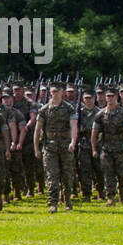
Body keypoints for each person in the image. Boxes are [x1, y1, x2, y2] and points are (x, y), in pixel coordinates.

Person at [35, 84, 77, 213]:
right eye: (52, 91)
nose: (54, 94)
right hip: (50, 146)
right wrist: (36, 147)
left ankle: (67, 200)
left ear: (62, 92)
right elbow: (37, 129)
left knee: (67, 175)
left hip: (65, 145)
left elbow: (74, 126)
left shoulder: (69, 108)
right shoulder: (45, 109)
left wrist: (73, 142)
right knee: (52, 176)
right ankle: (53, 202)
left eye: (57, 91)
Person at [92, 87, 123, 206]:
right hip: (106, 147)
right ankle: (110, 197)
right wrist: (94, 148)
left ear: (117, 97)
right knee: (108, 173)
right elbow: (94, 133)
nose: (110, 99)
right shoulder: (100, 114)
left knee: (122, 172)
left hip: (120, 147)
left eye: (112, 96)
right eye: (108, 96)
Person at [75, 90, 100, 202]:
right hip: (84, 143)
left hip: (97, 144)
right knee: (85, 170)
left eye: (90, 98)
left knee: (99, 169)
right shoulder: (79, 113)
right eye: (86, 98)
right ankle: (86, 194)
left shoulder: (99, 113)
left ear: (94, 99)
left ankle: (101, 191)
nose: (88, 100)